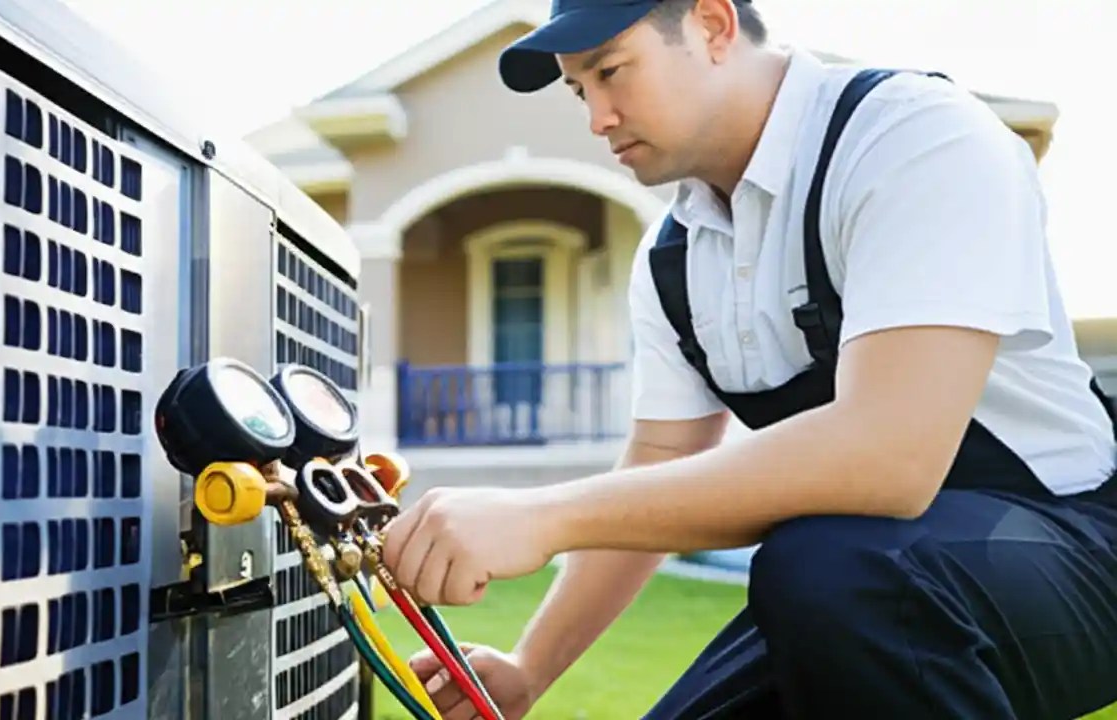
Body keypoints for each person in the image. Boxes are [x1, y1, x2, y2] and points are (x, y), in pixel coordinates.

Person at [379, 0, 1117, 717]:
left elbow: (891, 456)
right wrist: (529, 668)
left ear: (711, 23)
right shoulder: (673, 260)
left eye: (611, 71)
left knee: (822, 567)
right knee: (820, 578)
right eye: (580, 90)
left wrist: (540, 516)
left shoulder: (910, 136)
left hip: (1070, 548)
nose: (596, 118)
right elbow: (658, 469)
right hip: (881, 575)